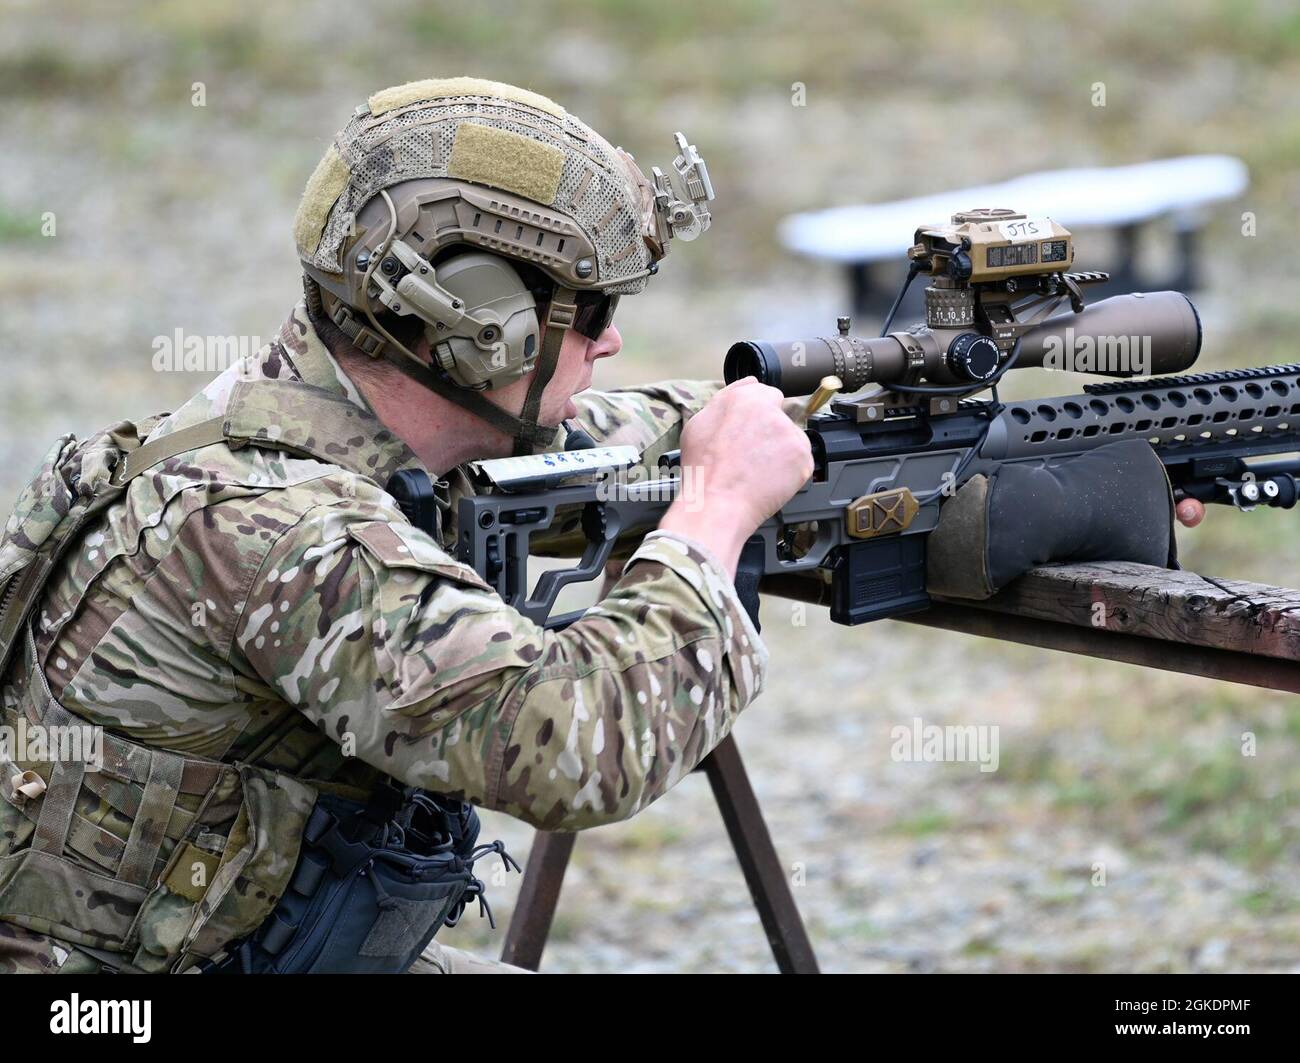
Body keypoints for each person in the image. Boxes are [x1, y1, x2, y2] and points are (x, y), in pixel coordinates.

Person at [0, 77, 1202, 974]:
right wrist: (712, 519)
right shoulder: (282, 529)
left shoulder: (297, 417)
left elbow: (647, 425)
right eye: (594, 311)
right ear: (479, 326)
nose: (615, 339)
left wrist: (989, 463)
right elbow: (575, 743)